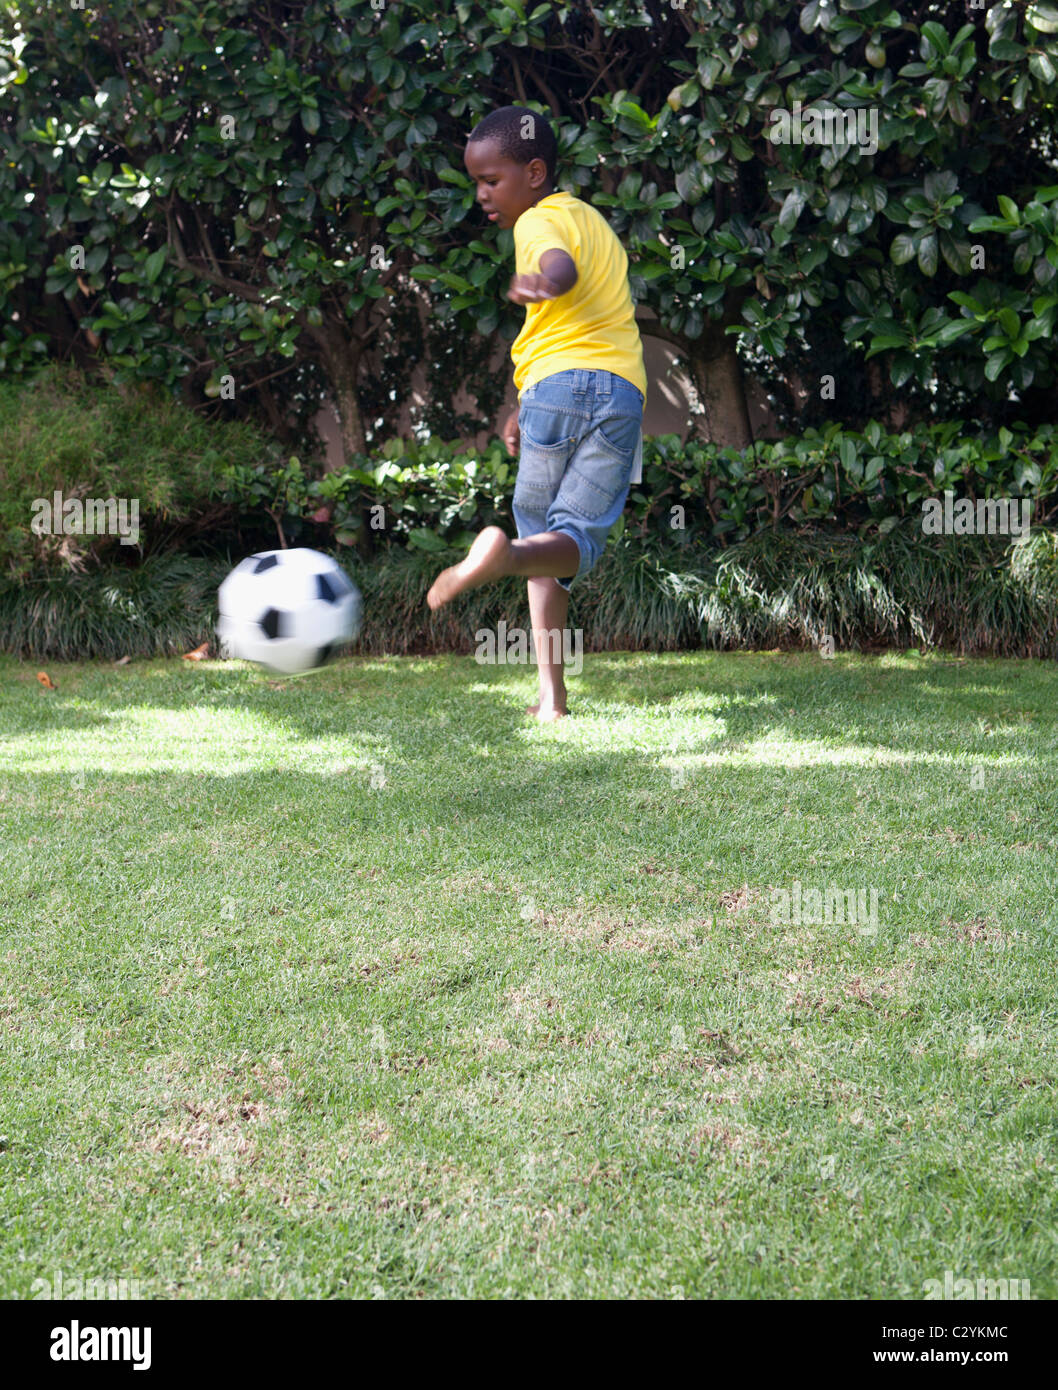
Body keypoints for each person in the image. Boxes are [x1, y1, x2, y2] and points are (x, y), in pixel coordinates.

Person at [426, 105, 647, 720]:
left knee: (543, 539)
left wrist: (544, 281)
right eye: (475, 182)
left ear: (534, 172)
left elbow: (559, 268)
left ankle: (511, 563)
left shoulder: (538, 222)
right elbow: (579, 321)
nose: (481, 195)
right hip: (620, 394)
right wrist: (524, 406)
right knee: (573, 538)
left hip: (558, 388)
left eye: (491, 180)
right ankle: (552, 700)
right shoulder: (594, 220)